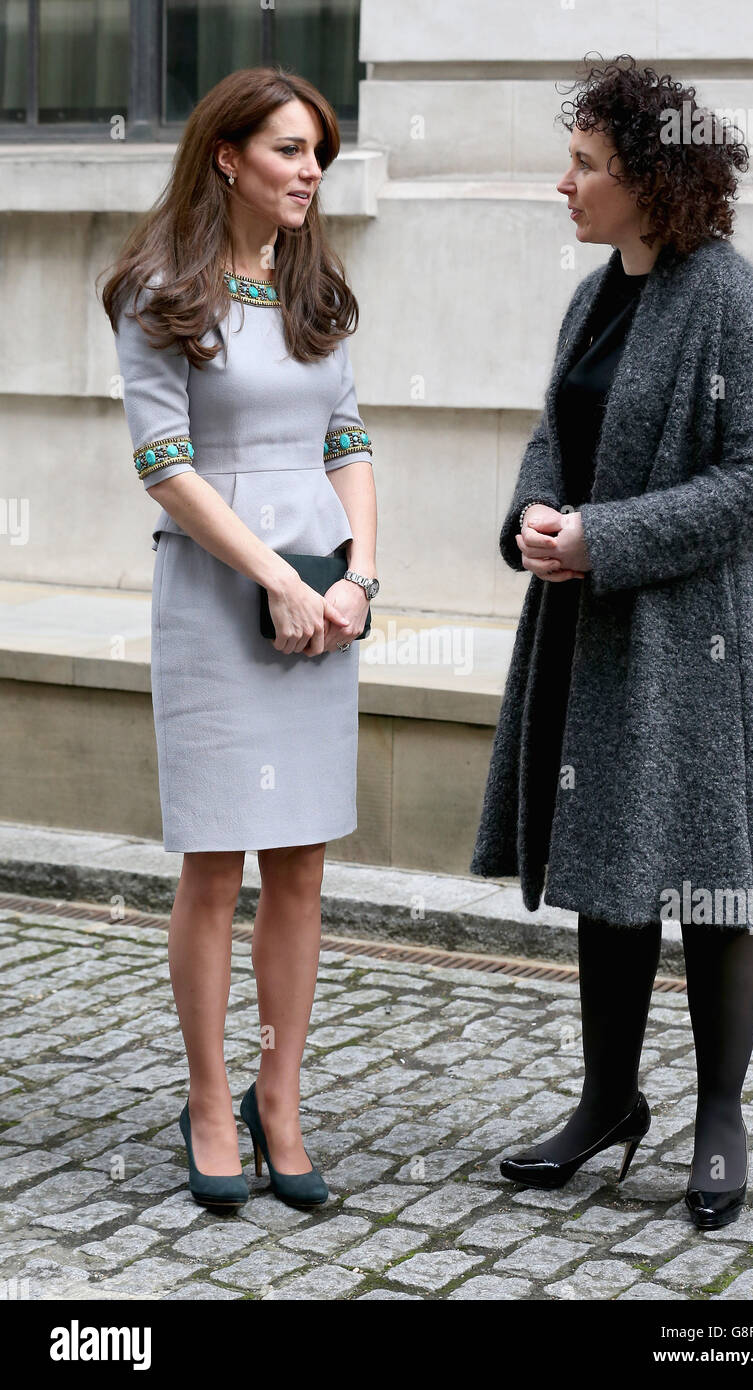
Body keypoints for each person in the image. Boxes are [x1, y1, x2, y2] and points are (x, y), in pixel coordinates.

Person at [469, 56, 753, 1230]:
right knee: (609, 864)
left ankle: (719, 1118)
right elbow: (553, 435)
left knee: (714, 877)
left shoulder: (730, 296)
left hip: (708, 643)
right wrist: (532, 516)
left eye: (585, 167)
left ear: (647, 180)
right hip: (601, 632)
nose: (563, 185)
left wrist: (601, 536)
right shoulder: (594, 295)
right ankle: (607, 1100)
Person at [100, 67, 379, 1211]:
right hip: (219, 606)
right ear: (228, 157)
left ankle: (280, 1095)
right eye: (286, 149)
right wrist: (272, 577)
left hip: (325, 607)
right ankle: (210, 1102)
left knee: (302, 865)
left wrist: (357, 577)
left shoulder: (314, 290)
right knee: (216, 863)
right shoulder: (157, 290)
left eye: (317, 149)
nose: (310, 168)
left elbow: (349, 439)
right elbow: (163, 467)